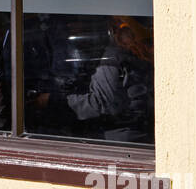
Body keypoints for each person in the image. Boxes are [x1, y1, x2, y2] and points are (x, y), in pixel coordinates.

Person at [63, 15, 154, 143]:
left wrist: (54, 101)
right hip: (140, 133)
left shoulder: (114, 56)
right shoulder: (139, 52)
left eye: (77, 22)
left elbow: (102, 103)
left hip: (121, 140)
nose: (70, 27)